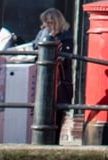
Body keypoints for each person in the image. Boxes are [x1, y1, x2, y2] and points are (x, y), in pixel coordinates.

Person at [35, 8, 74, 142]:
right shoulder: (42, 33)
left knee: (57, 111)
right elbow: (34, 47)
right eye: (45, 22)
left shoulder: (66, 37)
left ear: (56, 22)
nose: (46, 25)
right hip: (41, 78)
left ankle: (54, 140)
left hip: (60, 79)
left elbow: (65, 57)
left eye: (49, 23)